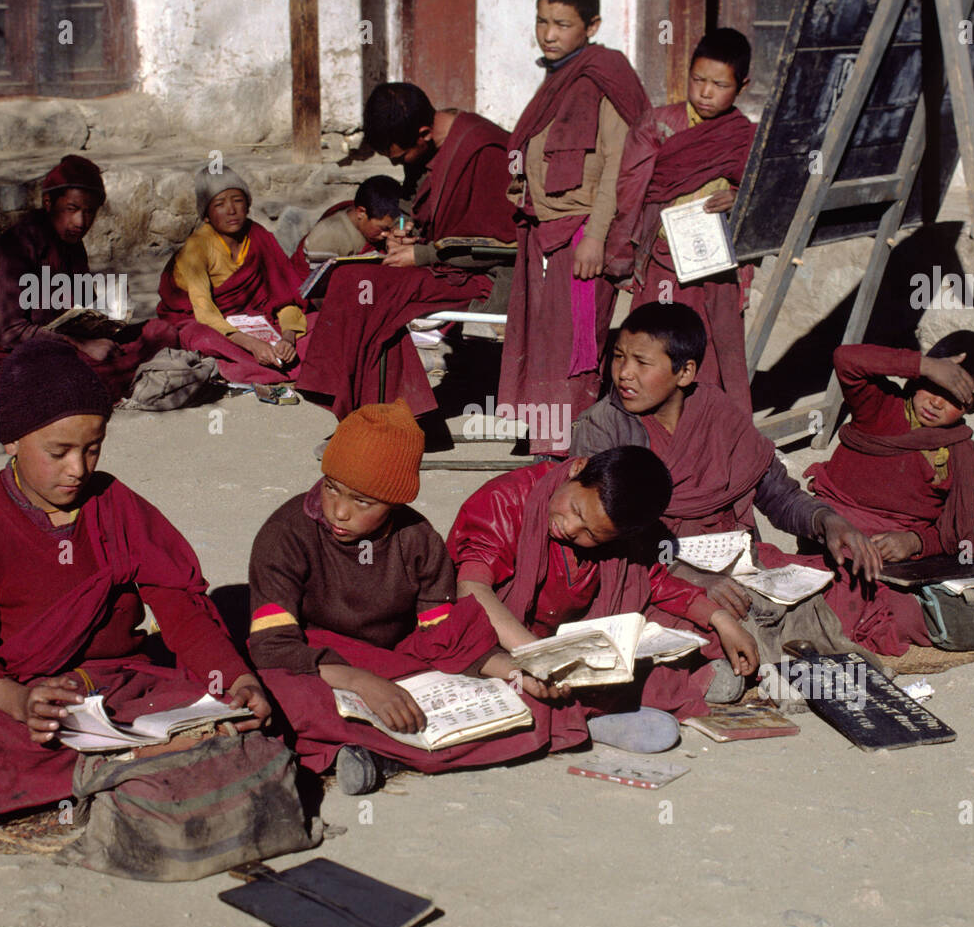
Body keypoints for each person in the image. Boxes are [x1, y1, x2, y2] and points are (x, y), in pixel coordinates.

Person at [0, 339, 270, 835]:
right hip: (23, 697)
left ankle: (117, 759)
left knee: (264, 698)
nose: (78, 469)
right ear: (12, 440)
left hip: (117, 685)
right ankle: (138, 760)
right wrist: (21, 702)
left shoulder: (116, 505)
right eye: (58, 452)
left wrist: (232, 678)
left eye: (92, 447)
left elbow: (180, 609)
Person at [247, 399, 586, 794]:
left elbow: (442, 634)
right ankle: (391, 751)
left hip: (398, 658)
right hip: (318, 659)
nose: (339, 512)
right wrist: (361, 682)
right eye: (332, 488)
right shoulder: (285, 535)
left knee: (531, 703)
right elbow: (272, 646)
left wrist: (513, 671)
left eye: (363, 502)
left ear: (395, 503)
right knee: (287, 697)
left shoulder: (417, 538)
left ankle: (379, 754)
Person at [569, 302, 882, 684]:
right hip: (654, 570)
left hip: (736, 558)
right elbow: (606, 533)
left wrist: (827, 521)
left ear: (685, 372)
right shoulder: (602, 428)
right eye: (617, 358)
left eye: (641, 363)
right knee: (694, 634)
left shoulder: (718, 412)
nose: (623, 374)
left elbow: (777, 495)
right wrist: (691, 576)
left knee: (848, 586)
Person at [447, 446, 761, 750]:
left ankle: (586, 711)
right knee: (485, 670)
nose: (569, 528)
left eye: (591, 534)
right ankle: (590, 719)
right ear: (577, 469)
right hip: (504, 636)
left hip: (570, 641)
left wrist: (721, 619)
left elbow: (653, 580)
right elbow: (472, 589)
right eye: (575, 509)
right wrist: (536, 655)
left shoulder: (622, 539)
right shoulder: (504, 500)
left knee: (676, 629)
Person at [799, 332, 974, 655]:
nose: (937, 402)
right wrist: (922, 364)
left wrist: (913, 542)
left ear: (972, 407)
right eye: (934, 385)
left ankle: (920, 611)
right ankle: (921, 616)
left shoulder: (959, 450)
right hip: (840, 541)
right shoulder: (880, 408)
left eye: (954, 398)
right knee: (848, 596)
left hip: (904, 564)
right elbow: (846, 358)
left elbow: (955, 539)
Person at [497, 0, 651, 455]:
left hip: (583, 232)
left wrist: (595, 236)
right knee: (546, 341)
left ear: (592, 24)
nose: (548, 34)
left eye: (562, 24)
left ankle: (571, 450)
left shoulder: (605, 77)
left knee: (577, 348)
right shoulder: (557, 77)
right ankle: (549, 442)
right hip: (544, 229)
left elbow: (616, 166)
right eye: (542, 21)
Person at [296, 83, 517, 420]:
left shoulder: (485, 153)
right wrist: (405, 230)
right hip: (446, 267)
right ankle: (377, 414)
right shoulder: (427, 149)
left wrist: (424, 255)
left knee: (363, 293)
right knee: (349, 279)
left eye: (399, 158)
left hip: (486, 276)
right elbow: (415, 206)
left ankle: (386, 420)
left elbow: (504, 241)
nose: (399, 165)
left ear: (424, 133)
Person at [606, 29, 756, 409]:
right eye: (698, 80)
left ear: (742, 86)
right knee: (656, 344)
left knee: (713, 347)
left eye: (720, 84)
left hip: (717, 265)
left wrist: (738, 199)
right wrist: (623, 255)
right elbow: (631, 192)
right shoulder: (657, 124)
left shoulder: (745, 136)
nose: (706, 92)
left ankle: (715, 429)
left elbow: (766, 199)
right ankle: (649, 427)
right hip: (661, 257)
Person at [0, 155, 175, 401]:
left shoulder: (73, 245)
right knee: (80, 375)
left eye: (89, 212)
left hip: (65, 342)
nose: (81, 222)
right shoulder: (19, 245)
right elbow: (12, 332)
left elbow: (81, 310)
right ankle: (118, 378)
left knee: (162, 331)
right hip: (12, 357)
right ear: (48, 203)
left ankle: (119, 375)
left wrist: (107, 318)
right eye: (72, 209)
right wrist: (83, 345)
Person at [156, 165, 310, 385]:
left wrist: (288, 338)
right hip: (212, 323)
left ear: (247, 204)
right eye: (219, 204)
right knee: (200, 337)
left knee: (315, 322)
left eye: (237, 200)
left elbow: (284, 295)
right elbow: (205, 313)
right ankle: (265, 366)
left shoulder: (259, 236)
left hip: (258, 320)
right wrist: (252, 344)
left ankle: (257, 366)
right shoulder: (197, 247)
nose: (231, 210)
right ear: (206, 215)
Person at [291, 174, 404, 275]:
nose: (387, 235)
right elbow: (318, 290)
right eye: (383, 229)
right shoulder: (328, 236)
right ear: (361, 212)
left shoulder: (374, 222)